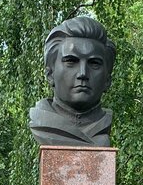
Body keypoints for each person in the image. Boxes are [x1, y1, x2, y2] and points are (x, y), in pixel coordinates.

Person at [29, 16, 115, 147]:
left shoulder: (105, 123)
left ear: (107, 80)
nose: (83, 73)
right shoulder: (41, 121)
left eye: (94, 63)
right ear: (50, 74)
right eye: (71, 61)